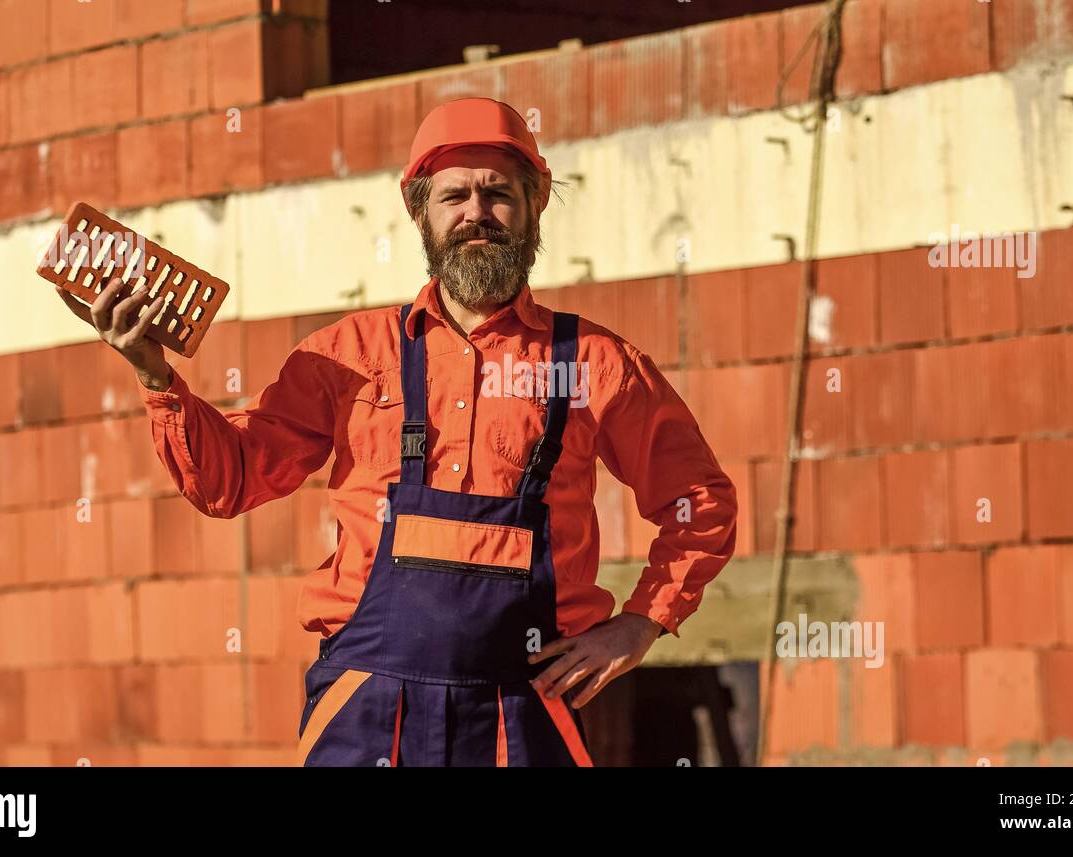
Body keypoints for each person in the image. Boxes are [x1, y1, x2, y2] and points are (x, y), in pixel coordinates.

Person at [57, 97, 737, 767]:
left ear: (536, 204)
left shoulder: (594, 364)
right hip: (366, 710)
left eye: (499, 194)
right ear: (418, 211)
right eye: (455, 196)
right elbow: (230, 479)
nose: (477, 213)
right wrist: (156, 376)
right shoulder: (348, 355)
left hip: (524, 714)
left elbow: (701, 500)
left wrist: (642, 621)